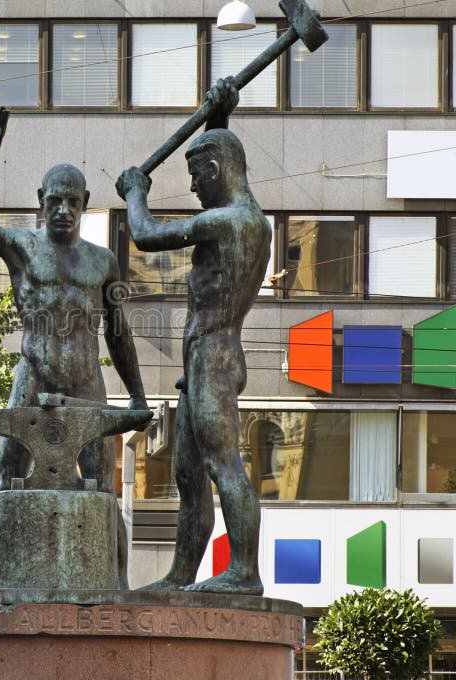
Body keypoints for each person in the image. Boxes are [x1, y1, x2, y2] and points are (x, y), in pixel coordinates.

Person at [0, 145, 148, 589]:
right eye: (54, 200)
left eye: (72, 201)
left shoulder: (103, 261)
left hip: (86, 387)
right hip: (32, 379)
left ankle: (118, 588)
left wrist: (137, 396)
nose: (63, 210)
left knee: (103, 489)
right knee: (6, 482)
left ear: (85, 202)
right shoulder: (19, 245)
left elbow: (118, 332)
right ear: (41, 199)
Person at [115, 80, 271, 594]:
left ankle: (243, 571)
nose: (194, 188)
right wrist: (219, 115)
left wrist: (137, 192)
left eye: (195, 177)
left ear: (214, 172)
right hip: (203, 360)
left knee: (223, 463)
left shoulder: (231, 221)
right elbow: (218, 155)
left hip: (214, 356)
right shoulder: (243, 217)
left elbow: (147, 236)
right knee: (188, 476)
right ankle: (181, 574)